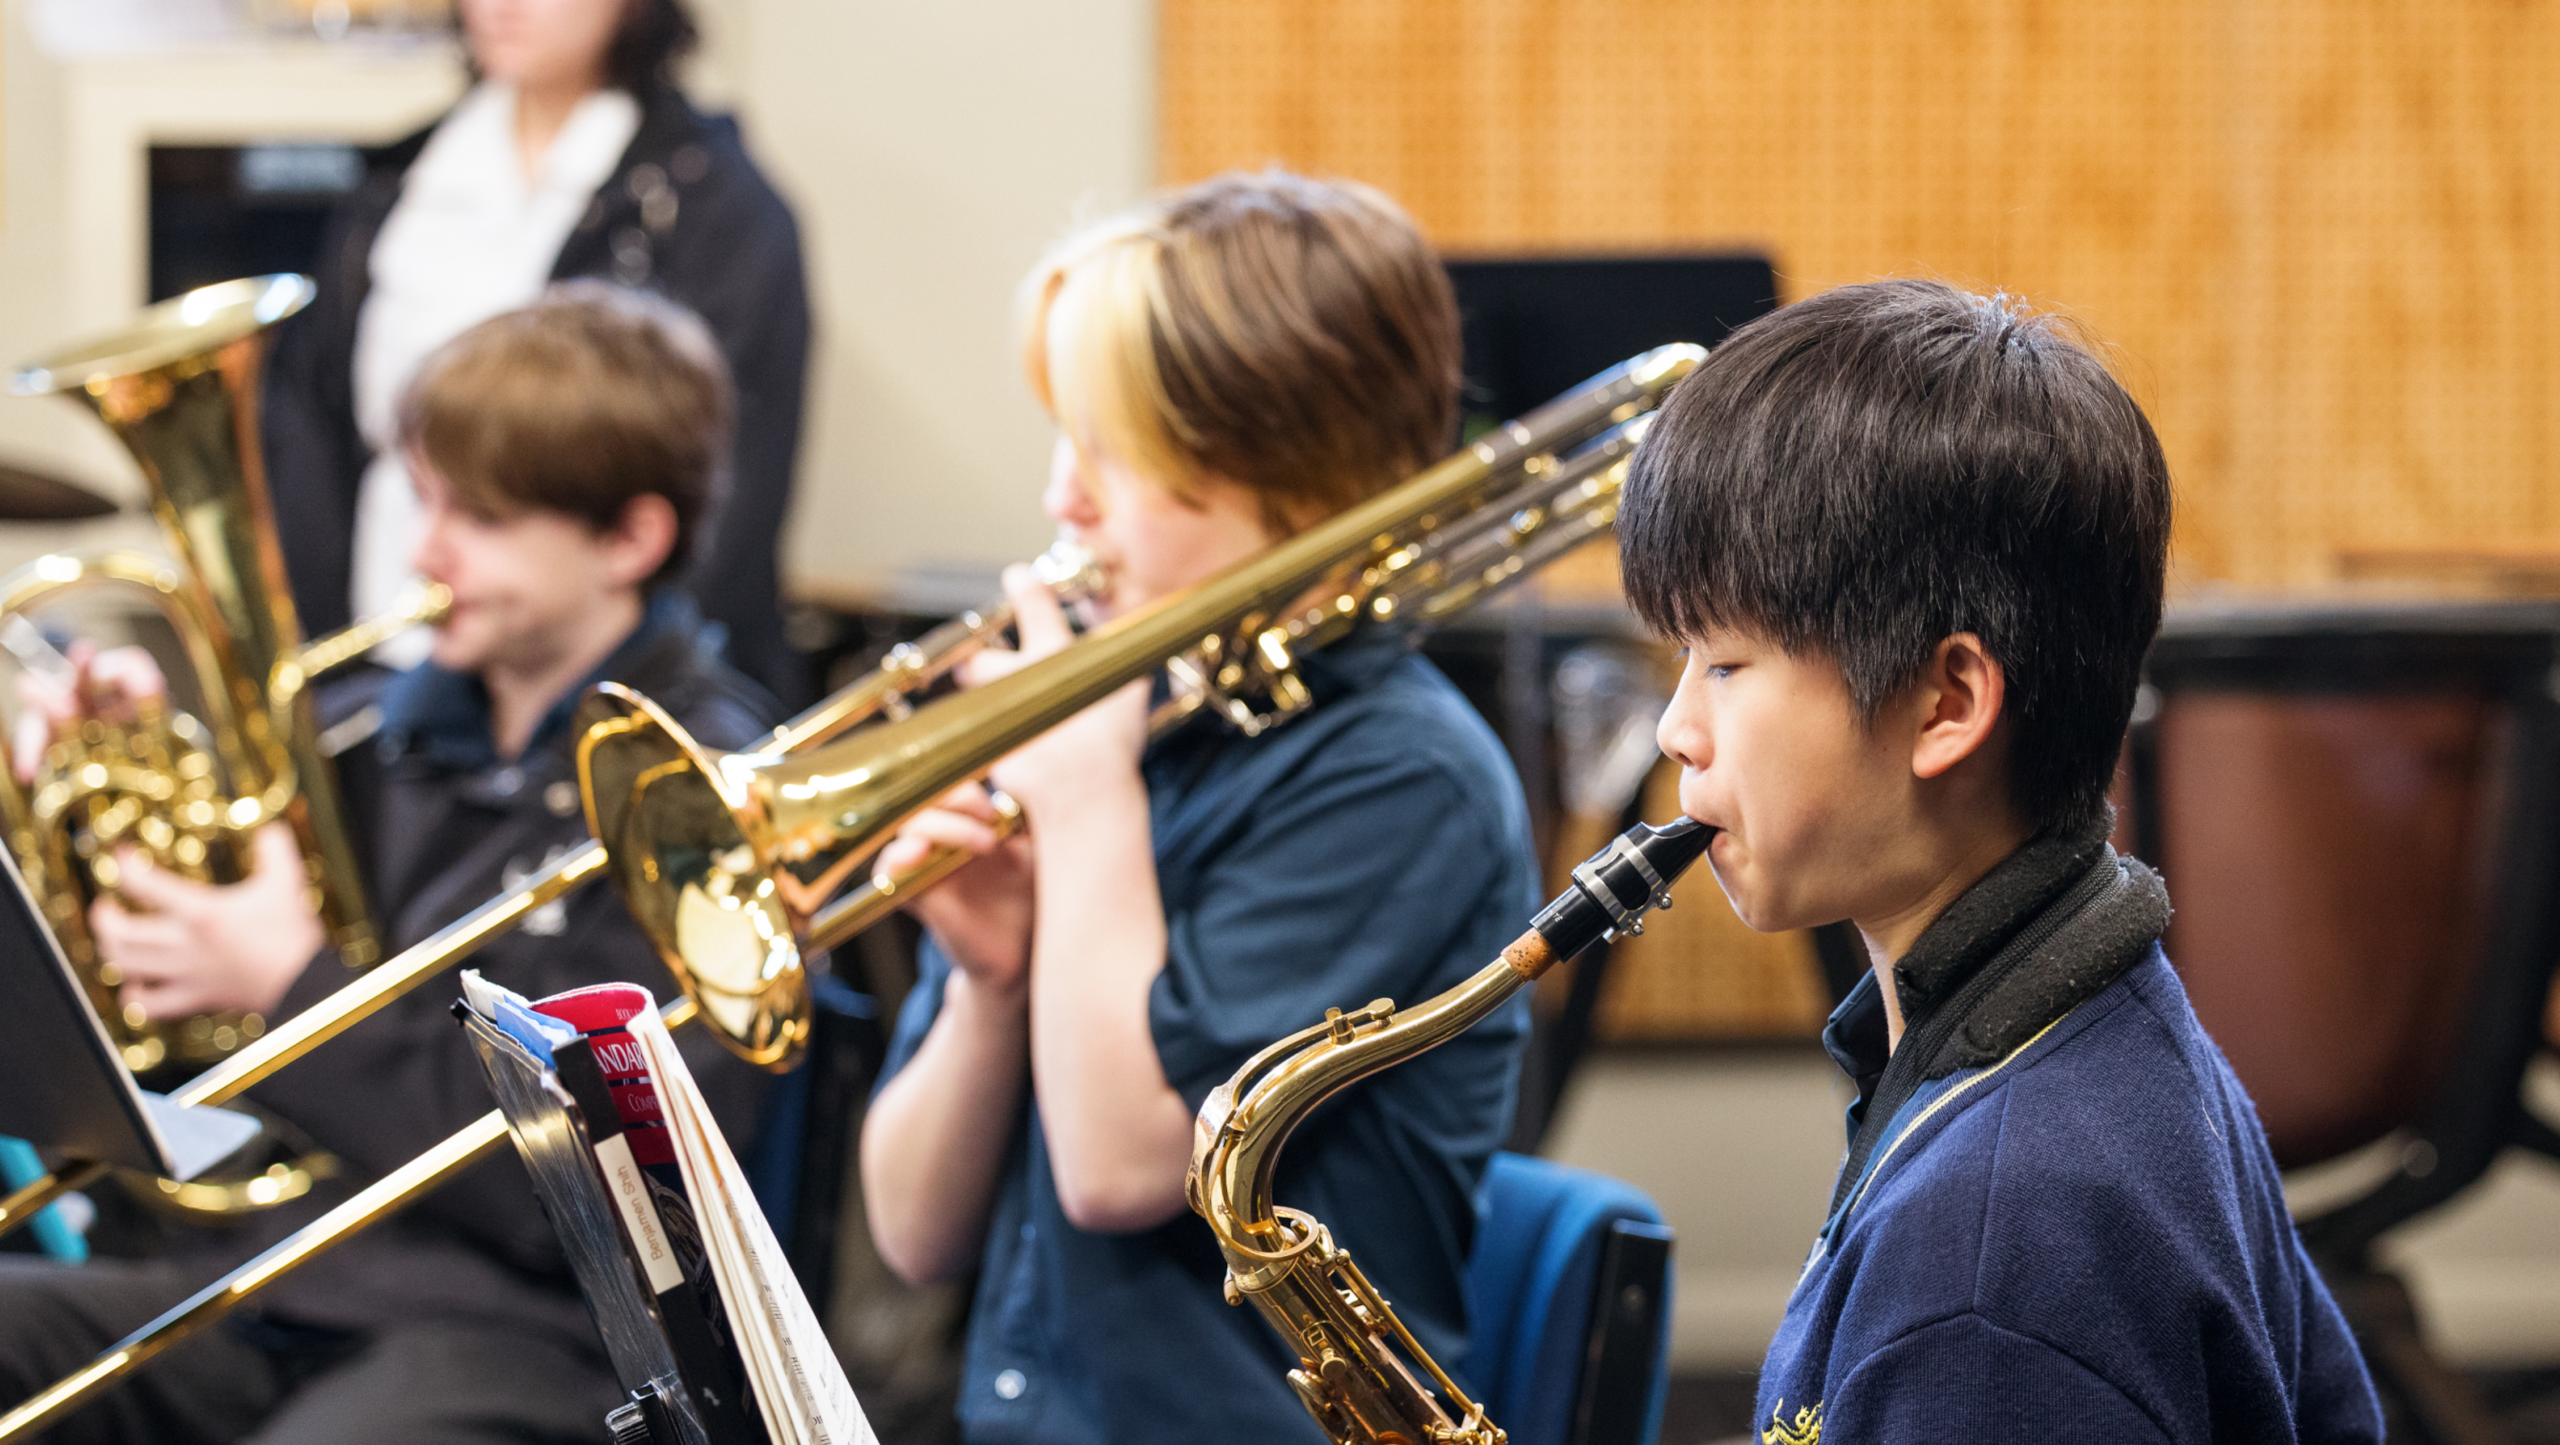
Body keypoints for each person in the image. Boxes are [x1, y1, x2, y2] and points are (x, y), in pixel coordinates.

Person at [0, 285, 781, 1445]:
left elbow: (616, 1193)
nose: (427, 552)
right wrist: (114, 801)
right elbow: (168, 1007)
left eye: (483, 517)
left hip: (541, 1331)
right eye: (423, 500)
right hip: (284, 1278)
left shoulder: (700, 791)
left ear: (631, 538)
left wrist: (287, 983)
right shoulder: (360, 730)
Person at [1616, 278, 2383, 1441]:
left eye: (1723, 662)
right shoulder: (2103, 1032)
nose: (1677, 727)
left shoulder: (1987, 1257)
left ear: (1946, 701)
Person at [857, 171, 1540, 1445]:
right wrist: (991, 985)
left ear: (1289, 476)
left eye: (1113, 454)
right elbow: (911, 1230)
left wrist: (1082, 800)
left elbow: (1123, 1170)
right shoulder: (1139, 729)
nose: (1064, 497)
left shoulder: (1399, 776)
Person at [264, 0, 812, 702]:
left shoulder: (717, 207)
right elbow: (315, 434)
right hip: (389, 665)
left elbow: (725, 505)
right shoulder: (396, 183)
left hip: (590, 696)